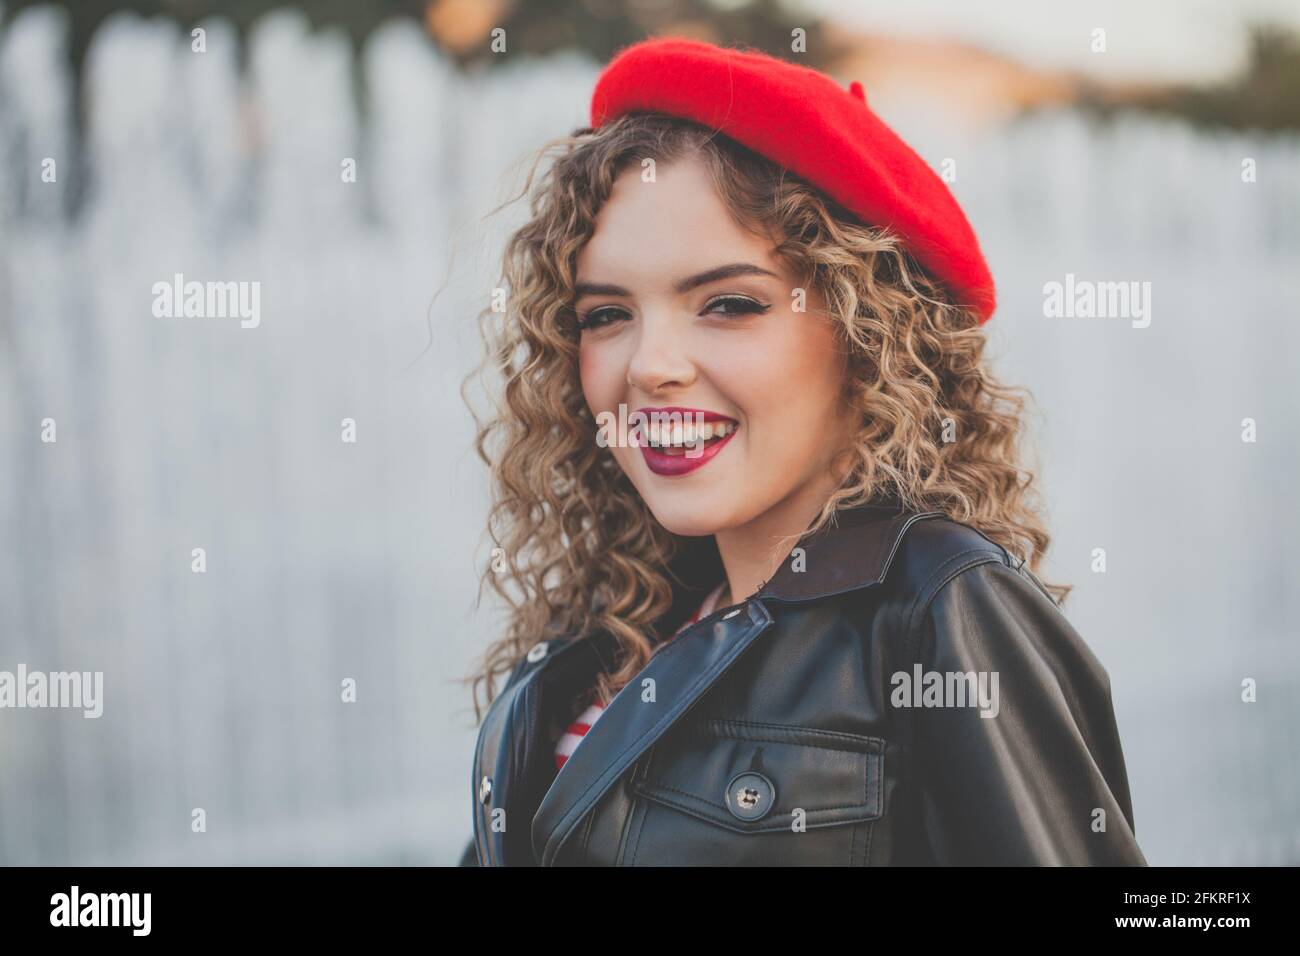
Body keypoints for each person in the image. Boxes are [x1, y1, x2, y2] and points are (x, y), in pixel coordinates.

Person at [459, 37, 1145, 866]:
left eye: (728, 304)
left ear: (867, 336)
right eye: (607, 314)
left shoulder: (942, 608)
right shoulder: (617, 622)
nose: (649, 366)